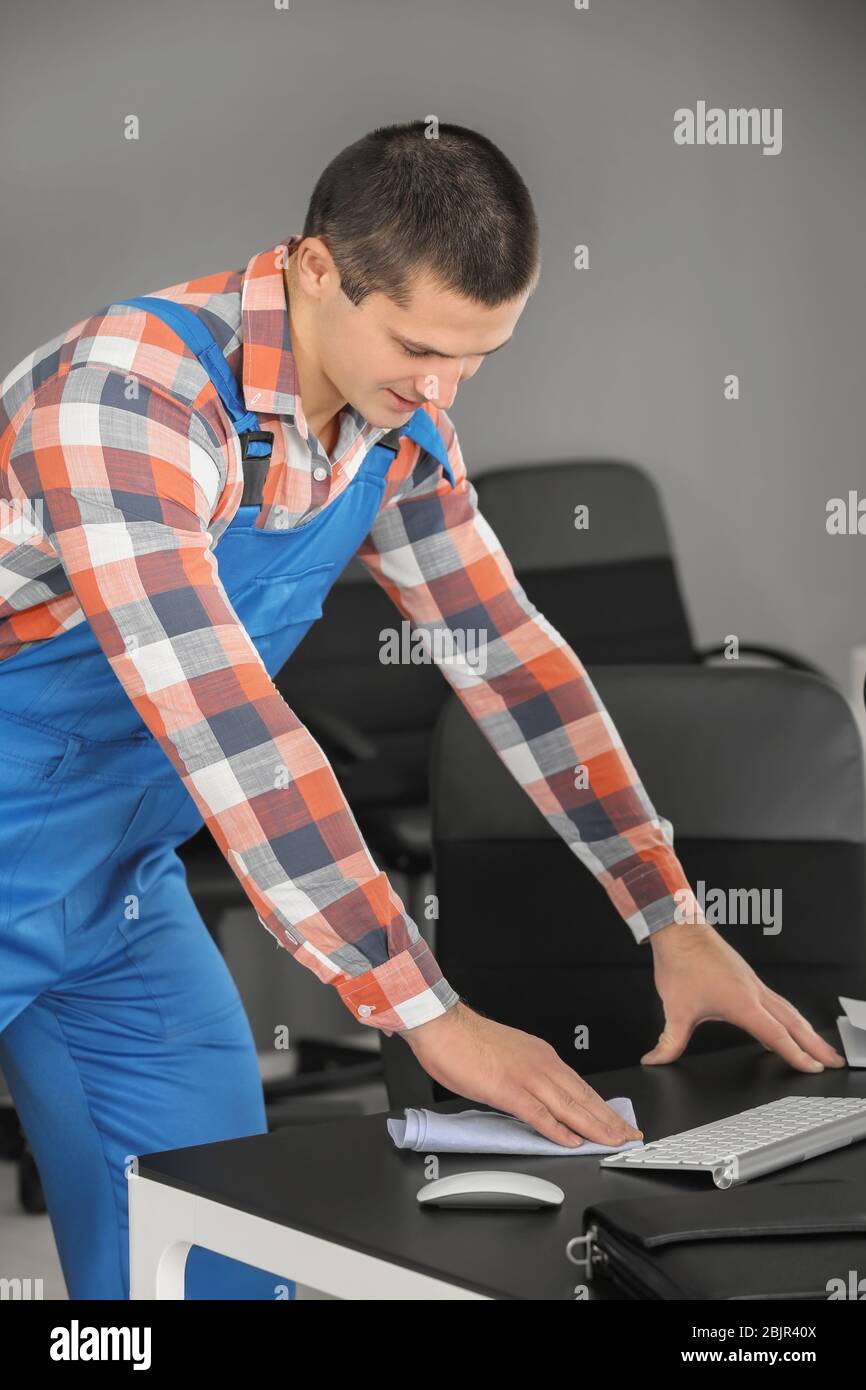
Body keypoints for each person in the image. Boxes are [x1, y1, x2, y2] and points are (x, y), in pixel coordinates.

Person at [0, 120, 844, 1299]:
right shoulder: (132, 402)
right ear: (310, 270)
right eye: (415, 348)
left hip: (111, 875)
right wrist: (426, 1013)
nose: (441, 392)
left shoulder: (396, 429)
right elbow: (229, 723)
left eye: (477, 357)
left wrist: (667, 912)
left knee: (213, 1243)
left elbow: (510, 659)